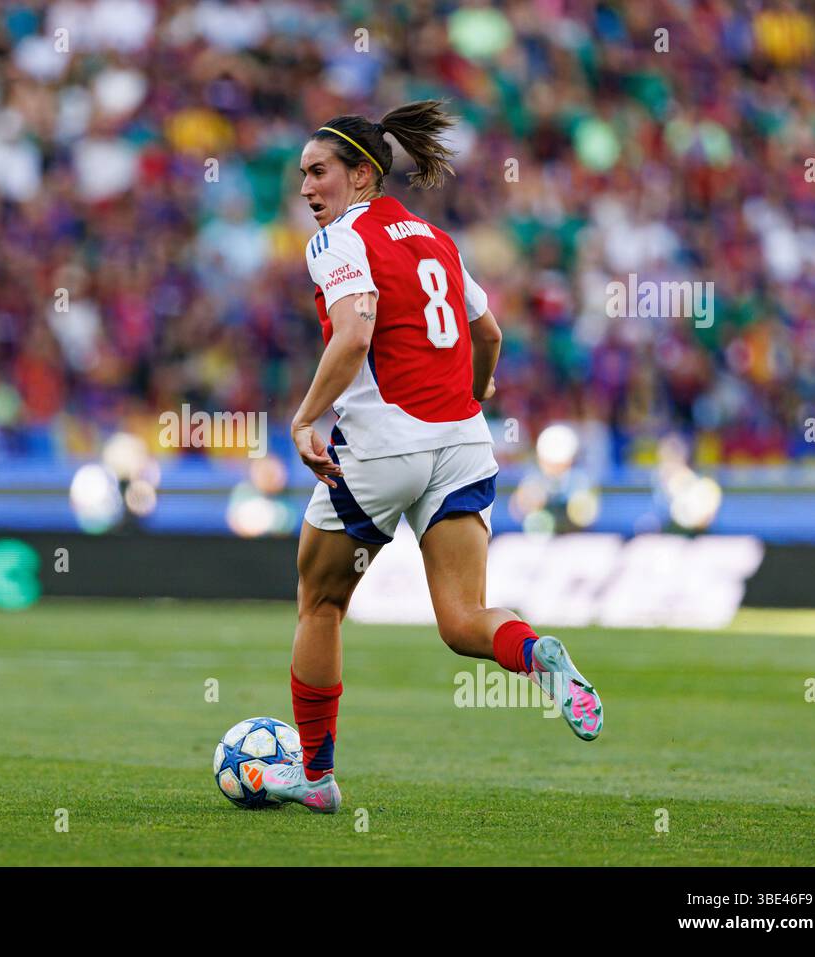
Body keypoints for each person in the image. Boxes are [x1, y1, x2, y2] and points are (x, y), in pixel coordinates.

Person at [262, 102, 604, 814]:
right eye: (301, 175)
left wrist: (303, 416)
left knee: (320, 603)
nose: (306, 188)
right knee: (462, 618)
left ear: (362, 174)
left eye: (318, 171)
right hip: (463, 444)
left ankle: (317, 778)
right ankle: (535, 651)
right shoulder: (437, 239)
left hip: (384, 444)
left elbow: (355, 332)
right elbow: (491, 334)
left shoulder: (336, 239)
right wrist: (471, 400)